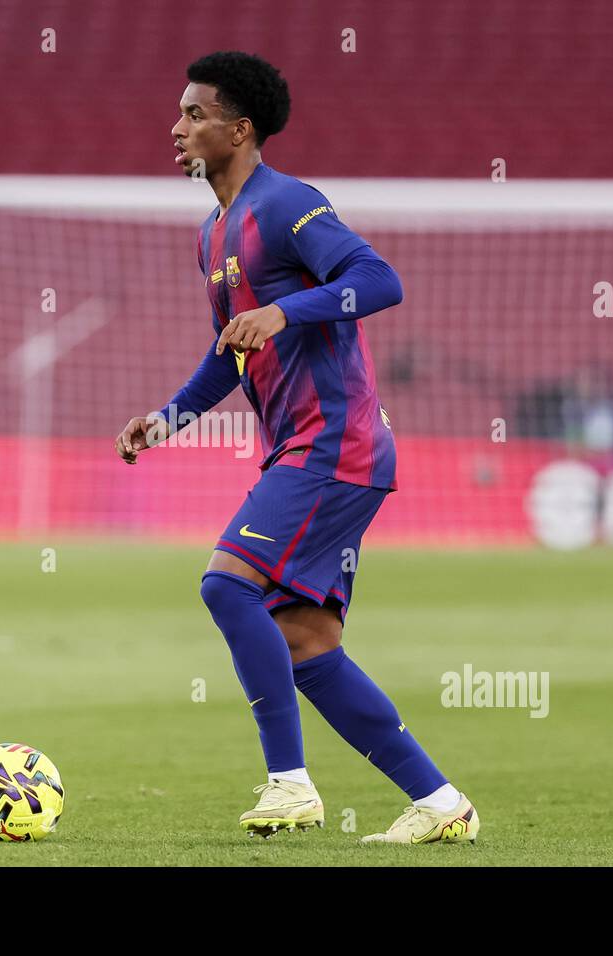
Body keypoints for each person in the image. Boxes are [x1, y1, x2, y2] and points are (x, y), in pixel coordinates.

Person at [114, 52, 478, 845]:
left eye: (196, 114)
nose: (178, 128)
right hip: (308, 450)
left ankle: (290, 785)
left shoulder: (286, 204)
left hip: (335, 443)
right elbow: (230, 352)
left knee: (226, 585)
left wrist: (287, 312)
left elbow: (379, 279)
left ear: (239, 129)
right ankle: (441, 803)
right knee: (307, 645)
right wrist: (168, 418)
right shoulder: (212, 235)